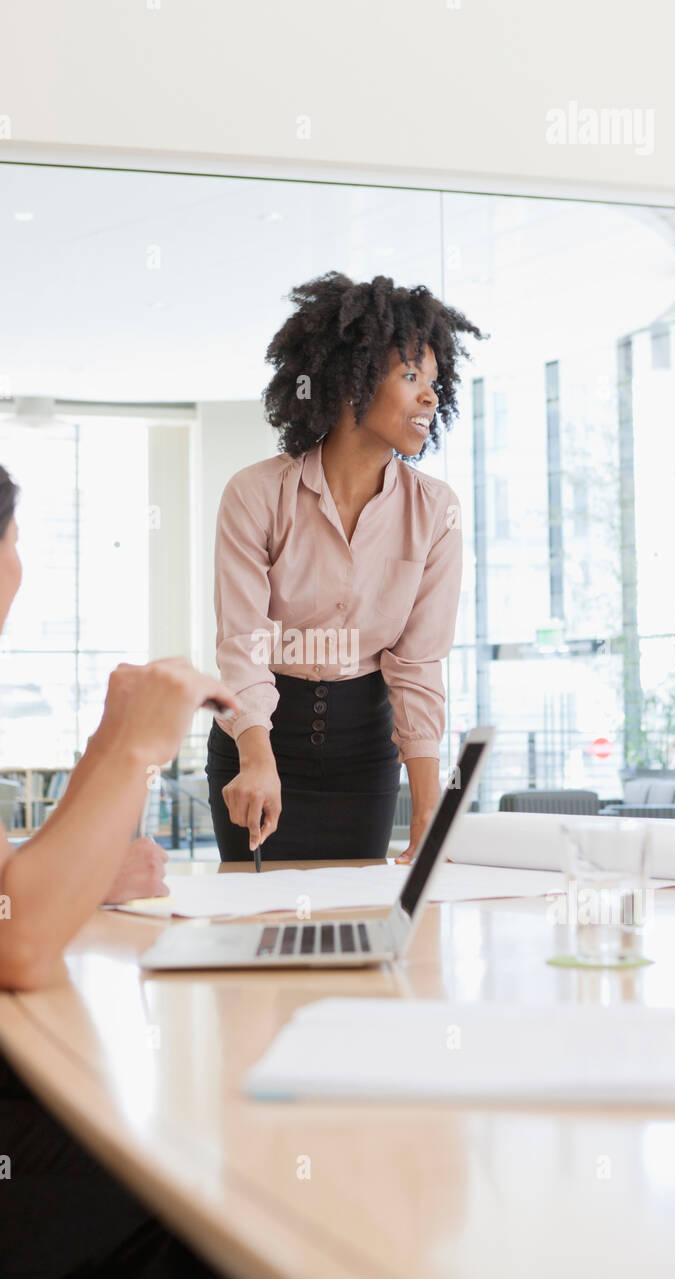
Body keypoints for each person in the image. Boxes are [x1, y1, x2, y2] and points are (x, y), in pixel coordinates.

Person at [0, 424, 242, 1279]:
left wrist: (102, 772)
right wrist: (135, 748)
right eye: (17, 539)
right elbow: (13, 943)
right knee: (175, 1166)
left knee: (52, 1072)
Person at [206, 271, 485, 863]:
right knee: (256, 930)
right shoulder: (256, 493)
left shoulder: (437, 511)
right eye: (411, 376)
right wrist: (258, 758)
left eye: (435, 382)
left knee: (356, 922)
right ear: (351, 381)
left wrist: (428, 809)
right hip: (258, 740)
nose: (431, 396)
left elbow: (417, 666)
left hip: (365, 750)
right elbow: (243, 645)